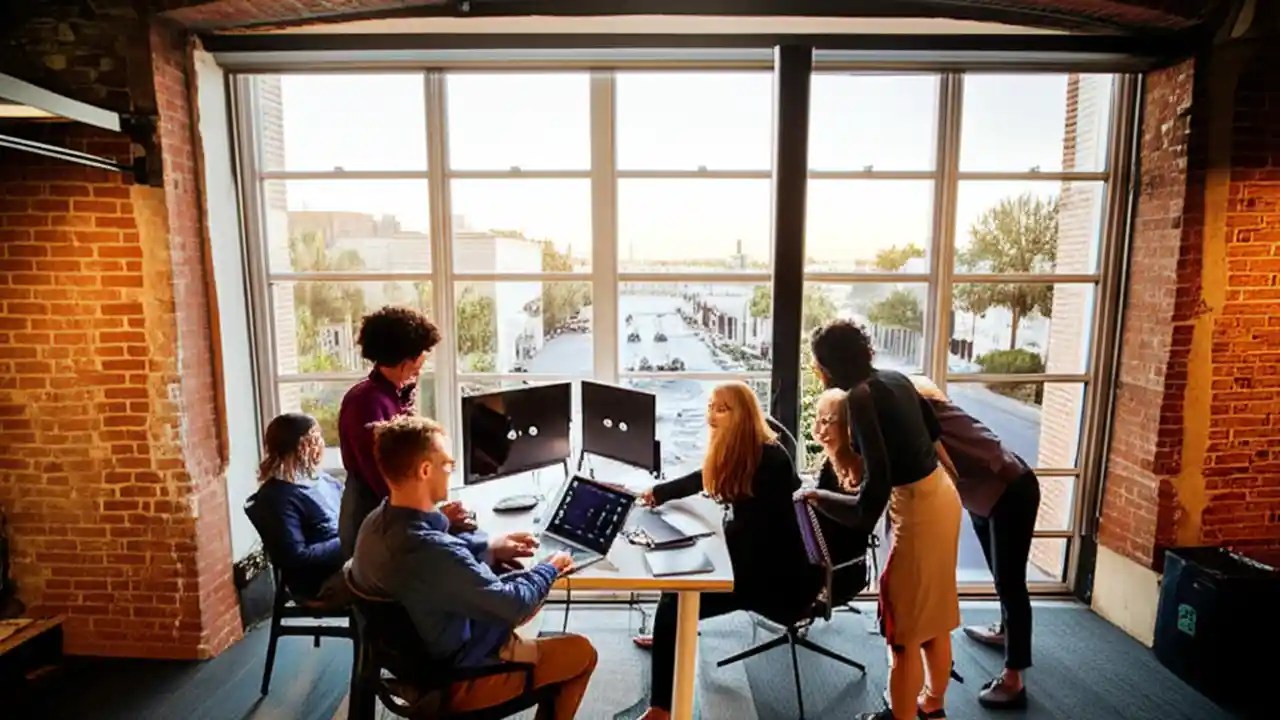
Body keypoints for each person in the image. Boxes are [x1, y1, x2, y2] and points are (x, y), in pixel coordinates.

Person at [348, 415, 597, 719]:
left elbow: (435, 558)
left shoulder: (375, 524)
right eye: (447, 464)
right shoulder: (430, 552)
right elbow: (513, 606)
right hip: (456, 680)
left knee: (511, 581)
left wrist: (490, 547)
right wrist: (551, 567)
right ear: (425, 470)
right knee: (582, 653)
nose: (451, 470)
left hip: (415, 664)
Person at [796, 320, 962, 720]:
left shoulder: (860, 398)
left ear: (827, 367)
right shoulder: (897, 378)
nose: (816, 370)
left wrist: (819, 497)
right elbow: (934, 436)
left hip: (916, 510)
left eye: (816, 364)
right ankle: (932, 704)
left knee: (902, 634)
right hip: (942, 496)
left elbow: (874, 489)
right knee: (935, 615)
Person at [634, 381, 820, 720]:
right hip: (755, 560)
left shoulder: (771, 461)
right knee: (674, 593)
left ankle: (661, 708)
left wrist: (705, 545)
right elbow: (706, 476)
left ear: (743, 415)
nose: (712, 415)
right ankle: (669, 637)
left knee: (675, 598)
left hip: (776, 581)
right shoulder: (745, 448)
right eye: (711, 406)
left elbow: (757, 539)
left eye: (722, 409)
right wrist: (660, 493)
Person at [908, 375, 1041, 710]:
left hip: (1010, 492)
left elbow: (991, 450)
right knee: (1000, 576)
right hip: (984, 497)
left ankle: (1014, 679)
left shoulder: (934, 415)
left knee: (1011, 582)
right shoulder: (921, 421)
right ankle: (1006, 631)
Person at [338, 305, 442, 558]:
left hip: (392, 510)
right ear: (405, 360)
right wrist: (432, 516)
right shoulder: (366, 402)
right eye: (421, 355)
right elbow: (383, 476)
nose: (422, 363)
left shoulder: (394, 392)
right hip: (374, 516)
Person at [249, 413, 349, 607]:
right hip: (320, 581)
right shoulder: (276, 497)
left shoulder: (324, 481)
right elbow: (296, 556)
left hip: (348, 562)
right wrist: (347, 542)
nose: (322, 444)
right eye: (316, 438)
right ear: (302, 446)